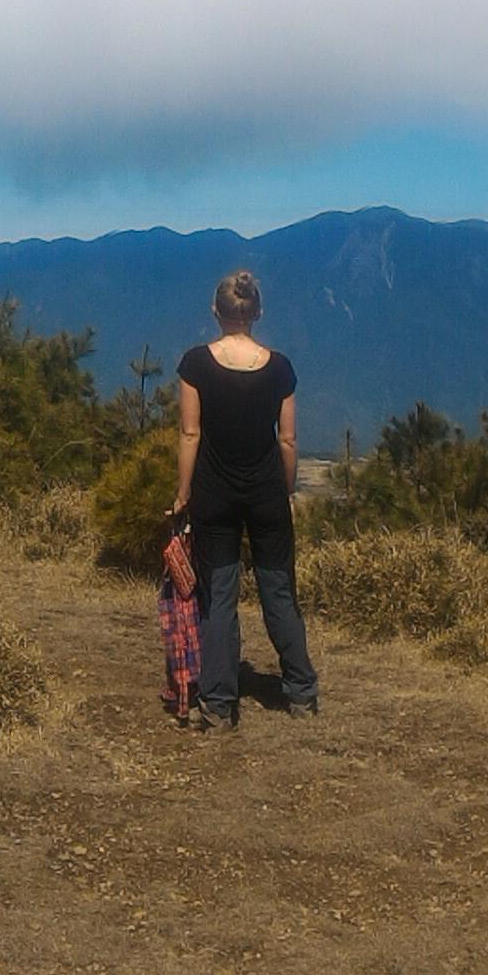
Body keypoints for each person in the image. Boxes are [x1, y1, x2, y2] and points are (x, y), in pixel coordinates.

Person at [165, 270, 311, 728]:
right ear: (258, 312)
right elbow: (287, 441)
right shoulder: (280, 368)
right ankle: (302, 691)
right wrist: (286, 490)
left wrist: (183, 492)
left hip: (214, 494)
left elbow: (191, 432)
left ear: (215, 311)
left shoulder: (195, 364)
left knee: (220, 598)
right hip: (266, 492)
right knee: (278, 593)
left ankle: (219, 703)